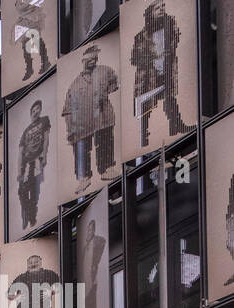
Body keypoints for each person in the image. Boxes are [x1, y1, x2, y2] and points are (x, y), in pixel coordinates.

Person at [62, 44, 119, 194]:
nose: (93, 61)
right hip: (83, 123)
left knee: (105, 140)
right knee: (81, 147)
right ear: (83, 61)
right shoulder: (75, 85)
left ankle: (106, 168)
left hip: (102, 117)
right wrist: (70, 129)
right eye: (89, 59)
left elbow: (115, 83)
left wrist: (105, 93)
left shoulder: (105, 71)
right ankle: (83, 177)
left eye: (95, 58)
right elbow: (68, 109)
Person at [130, 1, 186, 151]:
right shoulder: (141, 36)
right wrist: (152, 56)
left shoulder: (171, 25)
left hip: (166, 70)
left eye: (163, 6)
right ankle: (144, 139)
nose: (162, 9)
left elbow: (177, 39)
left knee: (170, 98)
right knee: (147, 107)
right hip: (149, 76)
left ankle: (176, 126)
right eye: (157, 8)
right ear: (150, 13)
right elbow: (134, 58)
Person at [17, 99, 52, 230]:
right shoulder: (25, 131)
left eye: (39, 108)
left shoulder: (44, 121)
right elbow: (20, 152)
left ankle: (32, 217)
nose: (36, 111)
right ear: (31, 111)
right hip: (26, 163)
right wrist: (19, 171)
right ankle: (28, 215)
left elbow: (46, 139)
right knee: (22, 191)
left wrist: (44, 155)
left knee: (34, 191)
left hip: (37, 160)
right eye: (34, 109)